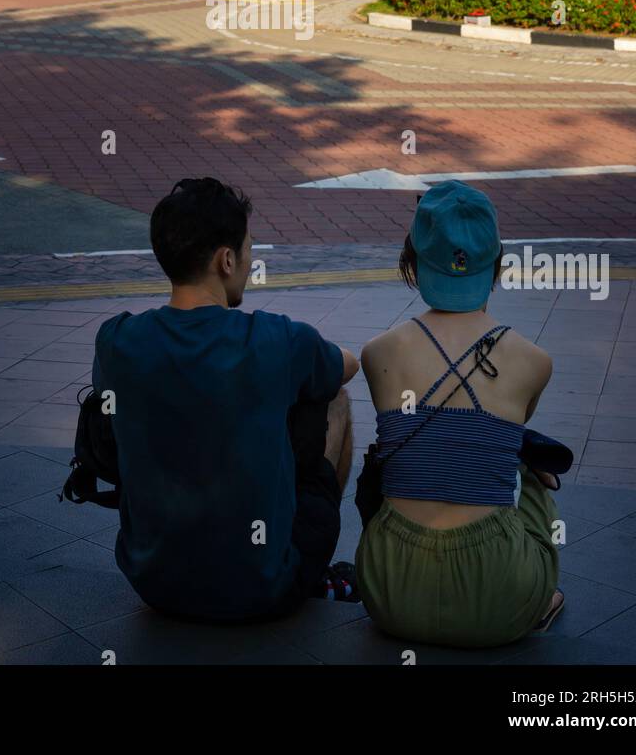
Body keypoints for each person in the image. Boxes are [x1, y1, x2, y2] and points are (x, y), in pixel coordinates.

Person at [91, 177, 359, 621]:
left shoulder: (116, 340)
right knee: (332, 397)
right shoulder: (274, 339)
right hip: (262, 589)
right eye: (249, 251)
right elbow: (346, 365)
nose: (251, 264)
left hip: (154, 582)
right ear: (227, 259)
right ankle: (310, 566)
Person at [357, 181, 563, 648]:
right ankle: (541, 597)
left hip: (390, 594)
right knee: (531, 466)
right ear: (497, 264)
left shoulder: (377, 354)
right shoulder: (535, 362)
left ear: (412, 263)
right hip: (498, 602)